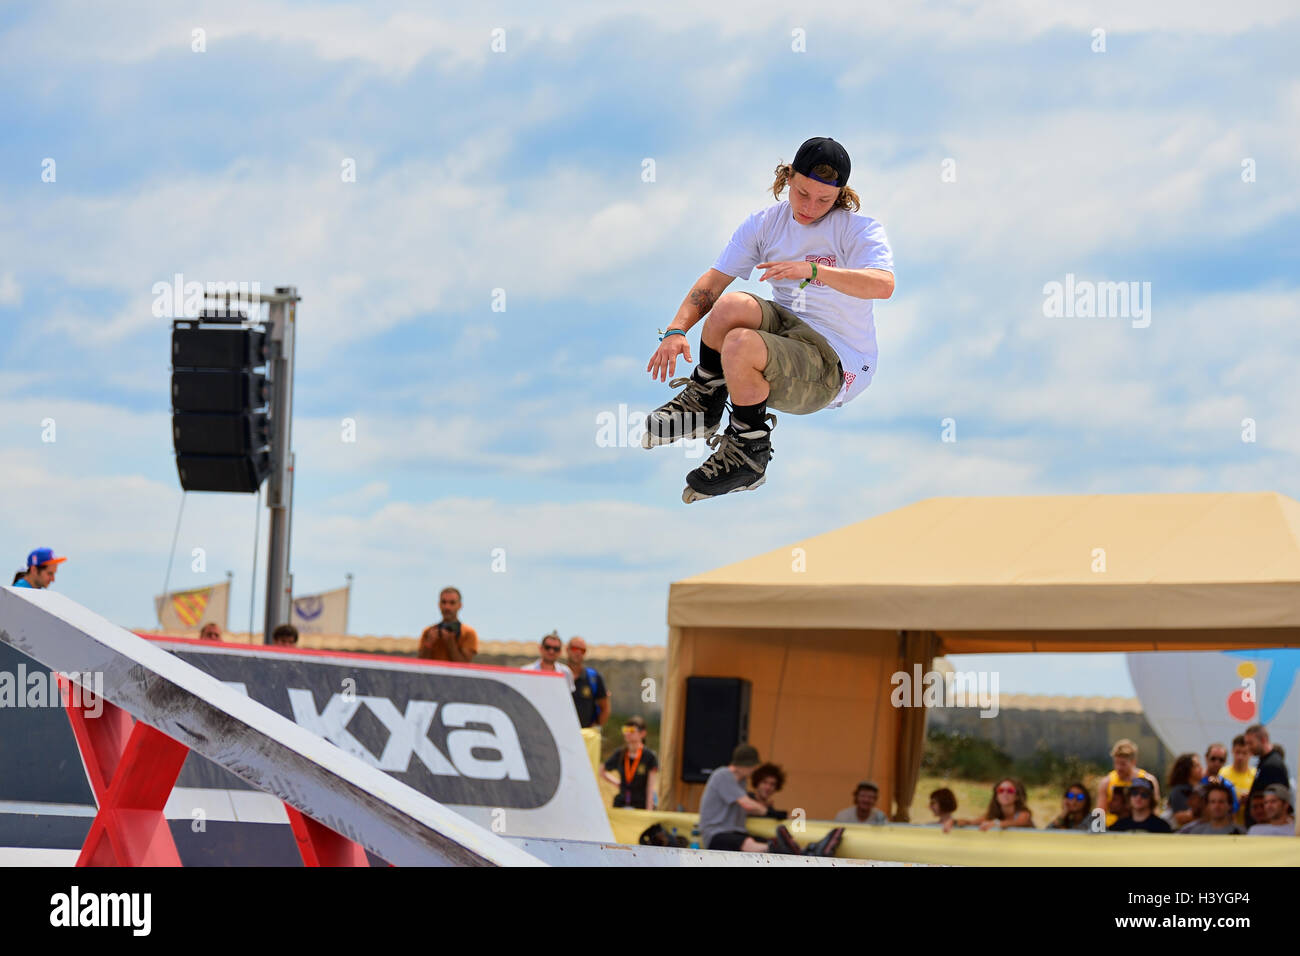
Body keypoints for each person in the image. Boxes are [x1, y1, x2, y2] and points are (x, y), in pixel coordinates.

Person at [643, 136, 894, 503]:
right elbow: (713, 282)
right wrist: (677, 330)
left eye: (824, 200)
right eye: (802, 193)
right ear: (788, 178)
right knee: (730, 307)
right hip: (787, 333)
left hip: (838, 363)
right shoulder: (765, 224)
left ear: (840, 195)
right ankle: (704, 403)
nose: (810, 207)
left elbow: (884, 285)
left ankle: (749, 450)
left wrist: (814, 271)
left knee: (741, 344)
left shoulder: (858, 230)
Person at [698, 744, 843, 855]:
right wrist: (771, 812)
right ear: (745, 764)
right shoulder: (723, 775)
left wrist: (769, 810)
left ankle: (805, 850)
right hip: (716, 835)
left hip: (735, 832)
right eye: (753, 766)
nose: (754, 769)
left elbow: (748, 806)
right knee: (749, 843)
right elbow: (747, 804)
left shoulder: (740, 782)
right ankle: (796, 850)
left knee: (764, 840)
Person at [1097, 738, 1160, 827]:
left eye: (1123, 764)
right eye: (1116, 763)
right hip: (1112, 828)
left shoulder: (1148, 780)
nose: (1119, 767)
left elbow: (1154, 809)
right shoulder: (1106, 782)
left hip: (1141, 826)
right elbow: (1100, 812)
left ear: (1133, 762)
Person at [601, 716, 658, 811]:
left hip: (641, 804)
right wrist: (619, 784)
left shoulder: (649, 757)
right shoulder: (619, 754)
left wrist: (649, 811)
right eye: (625, 730)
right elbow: (602, 771)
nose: (627, 733)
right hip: (622, 802)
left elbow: (650, 787)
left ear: (642, 733)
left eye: (632, 731)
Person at [1243, 724, 1290, 828]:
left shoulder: (1272, 764)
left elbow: (1276, 798)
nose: (1247, 747)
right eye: (1246, 744)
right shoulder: (1264, 761)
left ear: (1263, 740)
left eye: (1250, 743)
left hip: (1269, 829)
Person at [945, 778, 1033, 831]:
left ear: (1017, 796)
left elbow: (1021, 822)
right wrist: (954, 822)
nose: (1005, 794)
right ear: (996, 795)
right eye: (1001, 790)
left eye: (1010, 791)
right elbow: (972, 822)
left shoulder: (1023, 813)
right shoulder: (993, 814)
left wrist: (997, 824)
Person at [418, 587, 478, 663]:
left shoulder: (468, 633)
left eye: (452, 603)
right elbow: (419, 664)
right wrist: (428, 644)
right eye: (444, 602)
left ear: (459, 605)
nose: (447, 607)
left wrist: (451, 644)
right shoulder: (428, 631)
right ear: (439, 605)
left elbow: (464, 666)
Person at [565, 637, 610, 729]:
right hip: (560, 733)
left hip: (585, 736)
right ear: (567, 650)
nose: (578, 652)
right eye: (574, 648)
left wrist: (596, 728)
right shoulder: (558, 676)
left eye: (582, 650)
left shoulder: (594, 678)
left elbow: (605, 708)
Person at [1179, 783, 1245, 835]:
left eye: (1221, 802)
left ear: (1230, 805)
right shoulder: (1196, 832)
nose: (1217, 806)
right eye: (1213, 802)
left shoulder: (1241, 832)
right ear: (1207, 805)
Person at [1221, 735, 1256, 828]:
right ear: (1232, 751)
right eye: (1237, 752)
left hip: (1250, 825)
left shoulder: (1255, 775)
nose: (1240, 757)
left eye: (1244, 753)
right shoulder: (1223, 773)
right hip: (1228, 826)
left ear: (1251, 753)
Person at [1165, 752, 1205, 830]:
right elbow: (1180, 818)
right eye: (1196, 766)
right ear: (1187, 769)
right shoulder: (1179, 790)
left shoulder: (1201, 788)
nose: (1201, 768)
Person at [1200, 742, 1239, 815]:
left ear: (1225, 762)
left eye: (1221, 760)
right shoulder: (1196, 780)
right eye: (1213, 759)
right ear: (1206, 757)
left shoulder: (1227, 786)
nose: (1217, 763)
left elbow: (1233, 809)